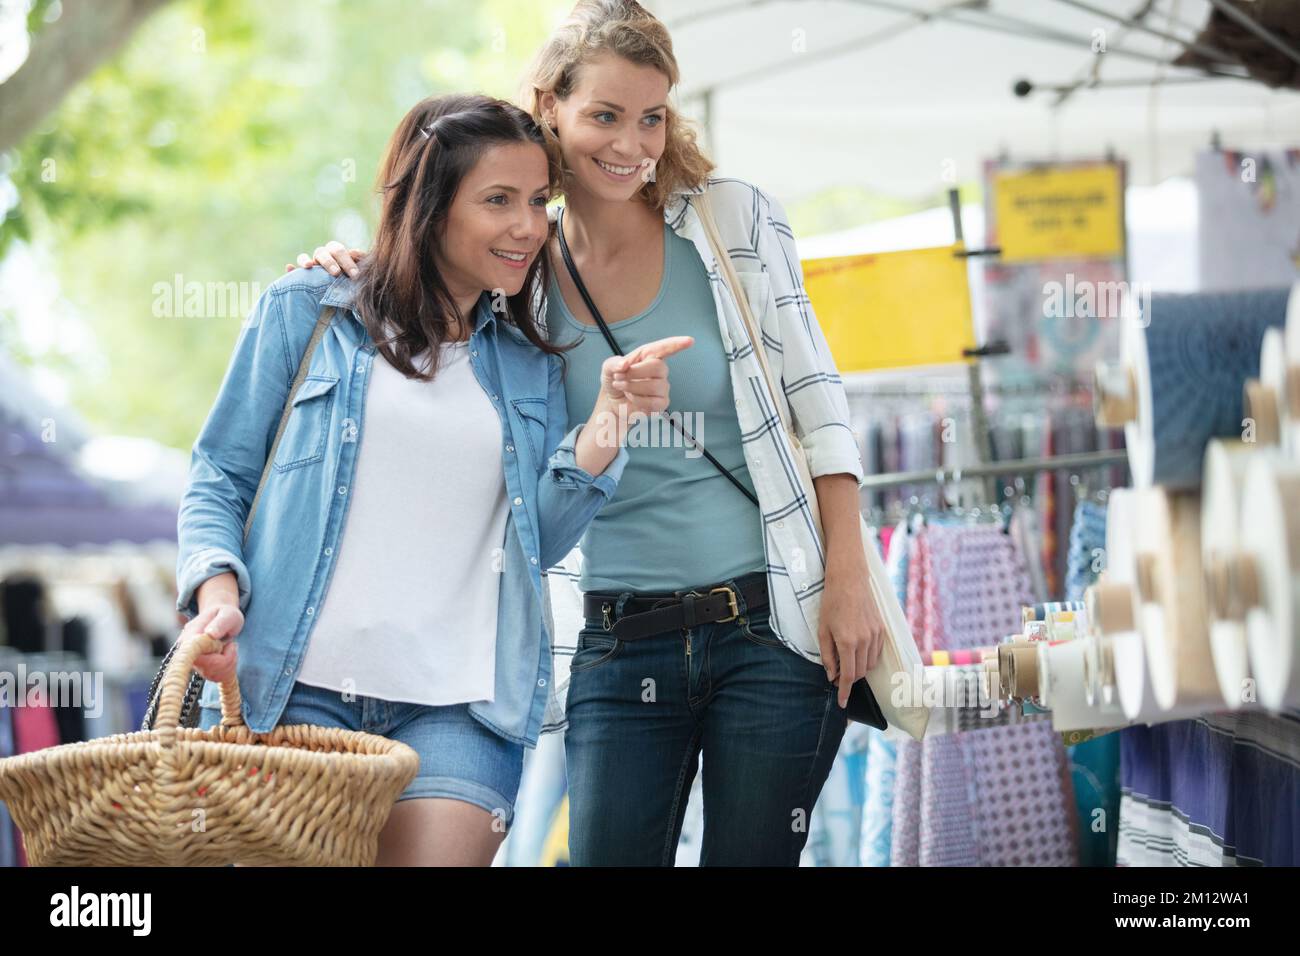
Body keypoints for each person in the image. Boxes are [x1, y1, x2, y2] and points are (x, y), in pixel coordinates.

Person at [294, 0, 885, 867]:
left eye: (651, 117)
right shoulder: (514, 275)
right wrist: (338, 266)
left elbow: (817, 401)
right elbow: (418, 292)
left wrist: (850, 579)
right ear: (550, 107)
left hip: (769, 624)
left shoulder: (733, 224)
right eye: (604, 115)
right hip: (612, 636)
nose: (631, 143)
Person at [175, 92, 690, 866]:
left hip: (460, 703)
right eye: (498, 200)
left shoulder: (526, 363)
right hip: (296, 689)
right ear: (428, 205)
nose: (527, 226)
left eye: (538, 202)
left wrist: (610, 419)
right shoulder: (308, 311)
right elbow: (220, 471)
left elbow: (536, 543)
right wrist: (216, 597)